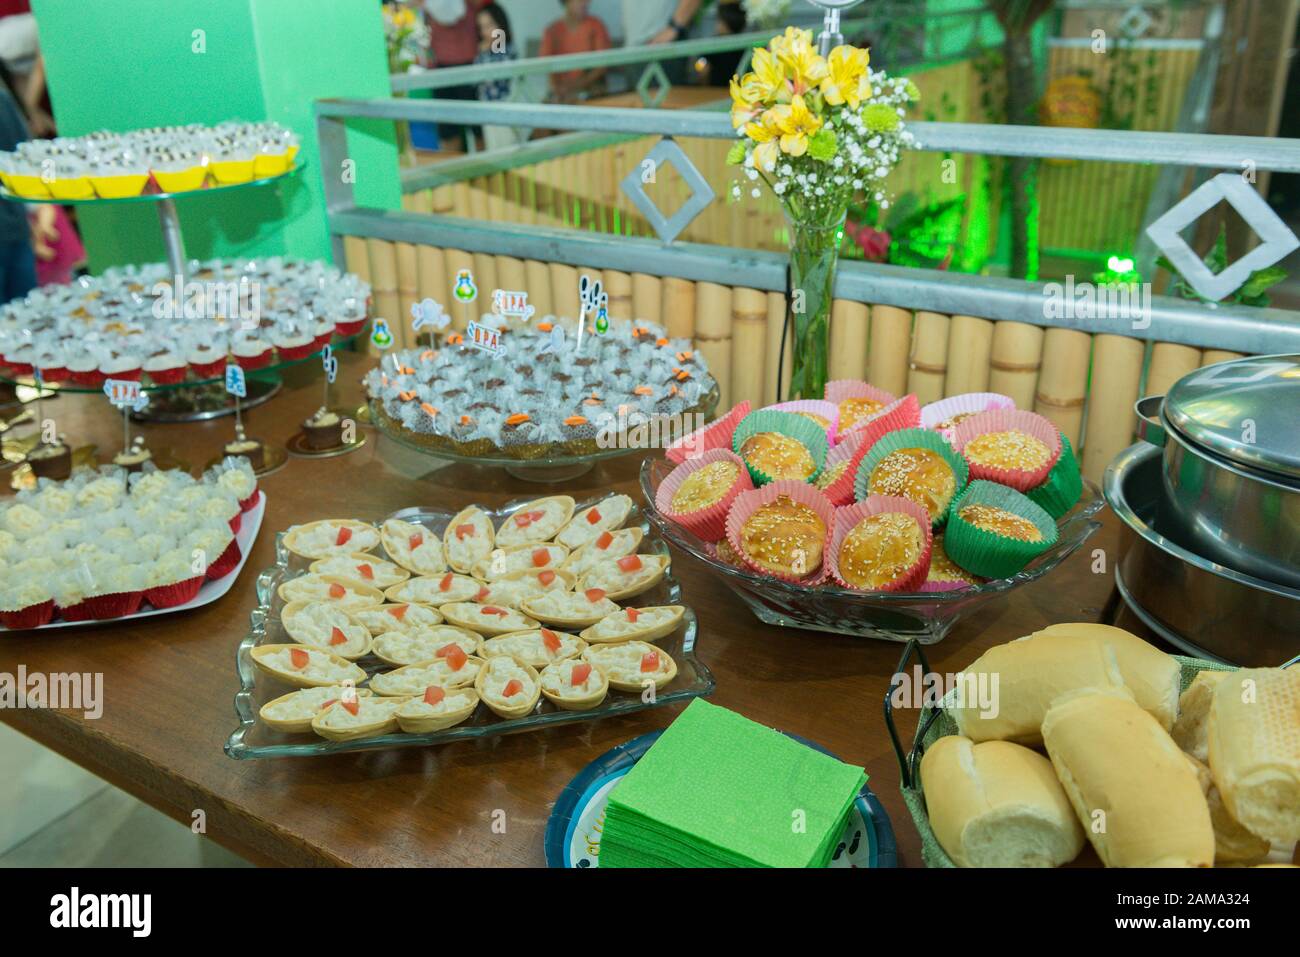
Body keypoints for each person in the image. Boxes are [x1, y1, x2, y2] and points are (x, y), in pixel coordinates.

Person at [424, 0, 488, 152]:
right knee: (448, 131)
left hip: (471, 68)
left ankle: (487, 171)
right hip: (441, 70)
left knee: (480, 129)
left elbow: (496, 27)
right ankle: (454, 174)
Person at [540, 0, 612, 104]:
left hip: (590, 91)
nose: (585, 3)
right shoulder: (552, 31)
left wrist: (577, 86)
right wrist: (558, 89)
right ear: (566, 2)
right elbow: (547, 66)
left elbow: (602, 66)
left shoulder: (596, 26)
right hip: (561, 93)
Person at [472, 3, 521, 150]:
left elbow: (496, 74)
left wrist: (485, 51)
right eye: (482, 27)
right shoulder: (483, 50)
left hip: (506, 108)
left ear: (501, 24)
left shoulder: (507, 48)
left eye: (490, 25)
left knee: (506, 150)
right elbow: (474, 80)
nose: (486, 32)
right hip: (487, 110)